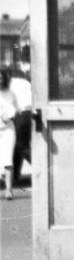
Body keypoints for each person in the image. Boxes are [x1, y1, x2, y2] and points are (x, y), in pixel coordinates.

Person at [0, 69, 18, 200]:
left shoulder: (10, 94)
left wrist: (9, 115)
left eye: (1, 77)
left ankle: (8, 191)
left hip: (8, 130)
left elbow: (16, 109)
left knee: (8, 159)